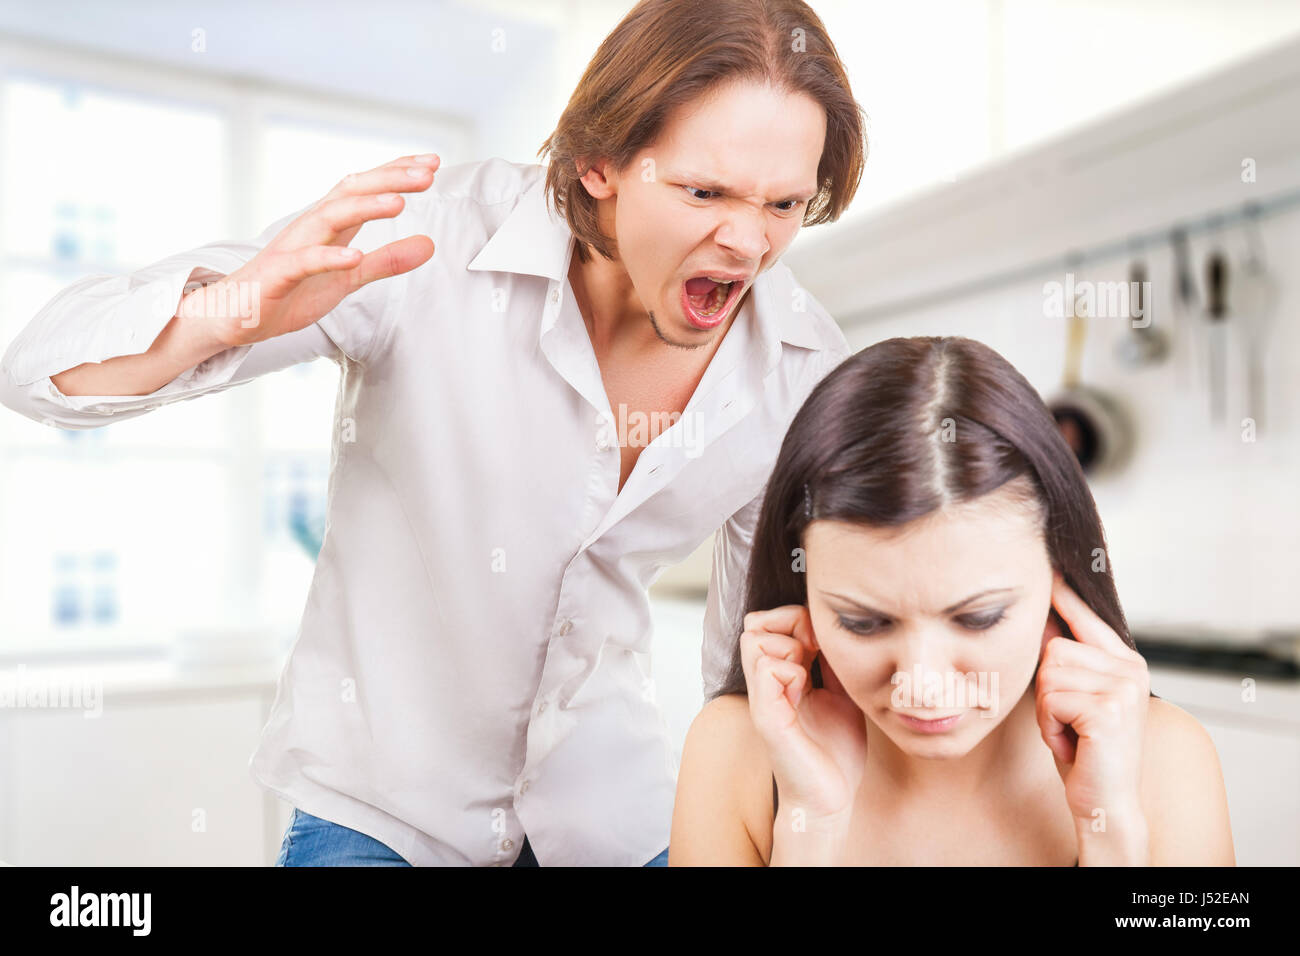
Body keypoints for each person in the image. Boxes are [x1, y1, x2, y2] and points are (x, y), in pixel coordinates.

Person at [0, 0, 865, 865]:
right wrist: (219, 320)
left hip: (612, 819)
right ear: (601, 162)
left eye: (784, 203)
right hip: (382, 816)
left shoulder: (798, 369)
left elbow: (755, 658)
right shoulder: (429, 243)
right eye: (703, 192)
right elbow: (35, 371)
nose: (749, 242)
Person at [670, 336, 1236, 866]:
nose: (924, 684)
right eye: (863, 622)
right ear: (803, 588)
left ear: (1058, 574)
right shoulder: (736, 752)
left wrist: (1110, 830)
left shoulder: (1164, 758)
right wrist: (810, 826)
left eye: (979, 617)